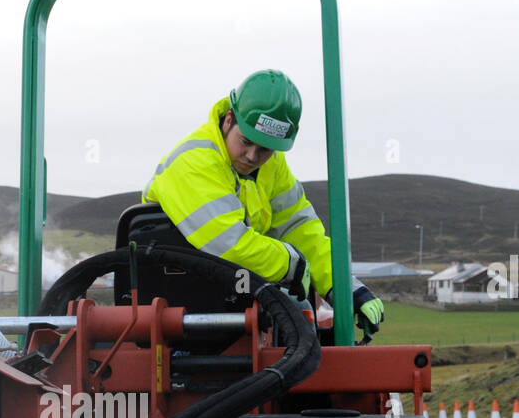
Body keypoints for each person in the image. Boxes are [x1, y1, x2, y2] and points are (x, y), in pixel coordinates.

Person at [142, 69, 384, 333]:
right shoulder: (193, 163)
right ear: (229, 120)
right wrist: (290, 263)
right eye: (245, 141)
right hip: (180, 310)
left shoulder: (273, 166)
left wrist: (345, 288)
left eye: (265, 148)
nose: (252, 156)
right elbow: (229, 245)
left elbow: (299, 229)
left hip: (236, 298)